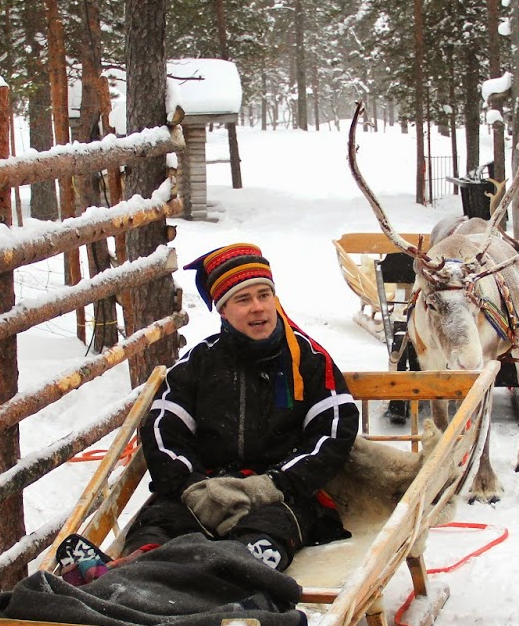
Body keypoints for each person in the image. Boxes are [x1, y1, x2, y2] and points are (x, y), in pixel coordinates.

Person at [119, 243, 359, 573]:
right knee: (162, 520)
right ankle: (132, 571)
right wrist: (192, 487)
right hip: (208, 488)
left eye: (264, 295)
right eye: (243, 300)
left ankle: (240, 572)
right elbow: (162, 429)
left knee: (275, 526)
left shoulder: (309, 361)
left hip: (281, 493)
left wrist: (276, 484)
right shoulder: (199, 363)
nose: (258, 308)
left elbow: (334, 430)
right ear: (223, 309)